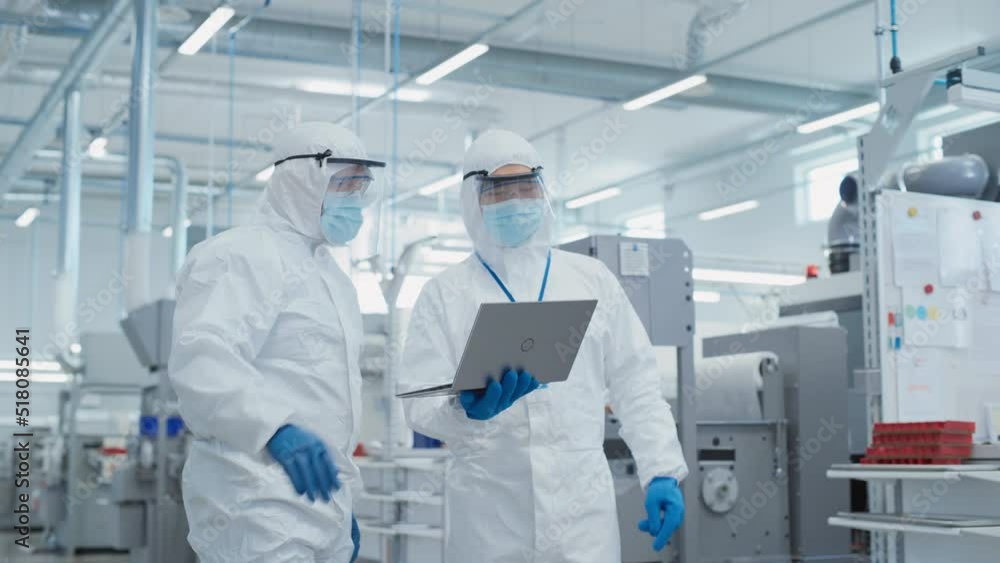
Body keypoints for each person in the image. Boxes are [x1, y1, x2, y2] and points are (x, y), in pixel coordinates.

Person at [398, 129, 688, 562]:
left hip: (582, 517)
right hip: (489, 517)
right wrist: (464, 411)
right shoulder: (445, 294)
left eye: (526, 186)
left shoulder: (589, 279)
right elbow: (417, 403)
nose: (516, 200)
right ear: (471, 198)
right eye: (499, 190)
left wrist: (661, 470)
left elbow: (636, 383)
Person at [169, 122, 383, 563]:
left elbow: (324, 399)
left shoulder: (334, 277)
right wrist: (276, 429)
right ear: (300, 179)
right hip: (253, 500)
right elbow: (203, 361)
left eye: (360, 185)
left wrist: (341, 502)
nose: (353, 198)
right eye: (343, 182)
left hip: (321, 499)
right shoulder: (237, 254)